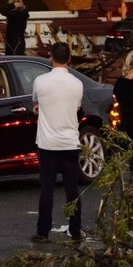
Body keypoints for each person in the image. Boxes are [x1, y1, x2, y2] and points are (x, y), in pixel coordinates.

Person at [31, 42, 83, 243]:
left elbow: (37, 102)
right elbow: (76, 107)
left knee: (47, 189)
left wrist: (38, 109)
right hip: (70, 142)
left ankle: (43, 231)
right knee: (72, 189)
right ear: (69, 59)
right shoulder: (77, 83)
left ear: (50, 57)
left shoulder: (40, 81)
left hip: (47, 142)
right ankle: (75, 229)